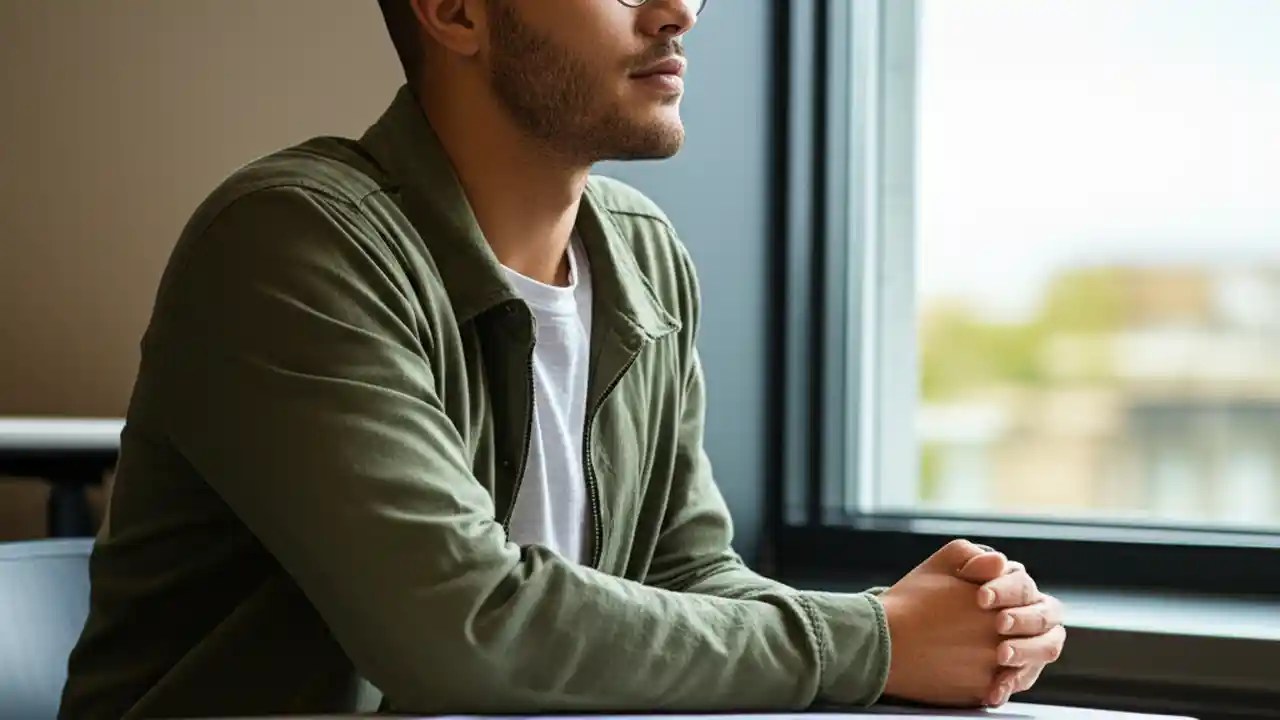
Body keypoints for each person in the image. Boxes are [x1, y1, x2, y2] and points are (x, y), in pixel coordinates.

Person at [59, 1, 1065, 717]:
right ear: (454, 11)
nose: (679, 12)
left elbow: (688, 576)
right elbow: (460, 625)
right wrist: (875, 642)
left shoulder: (639, 253)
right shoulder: (293, 242)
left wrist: (944, 630)